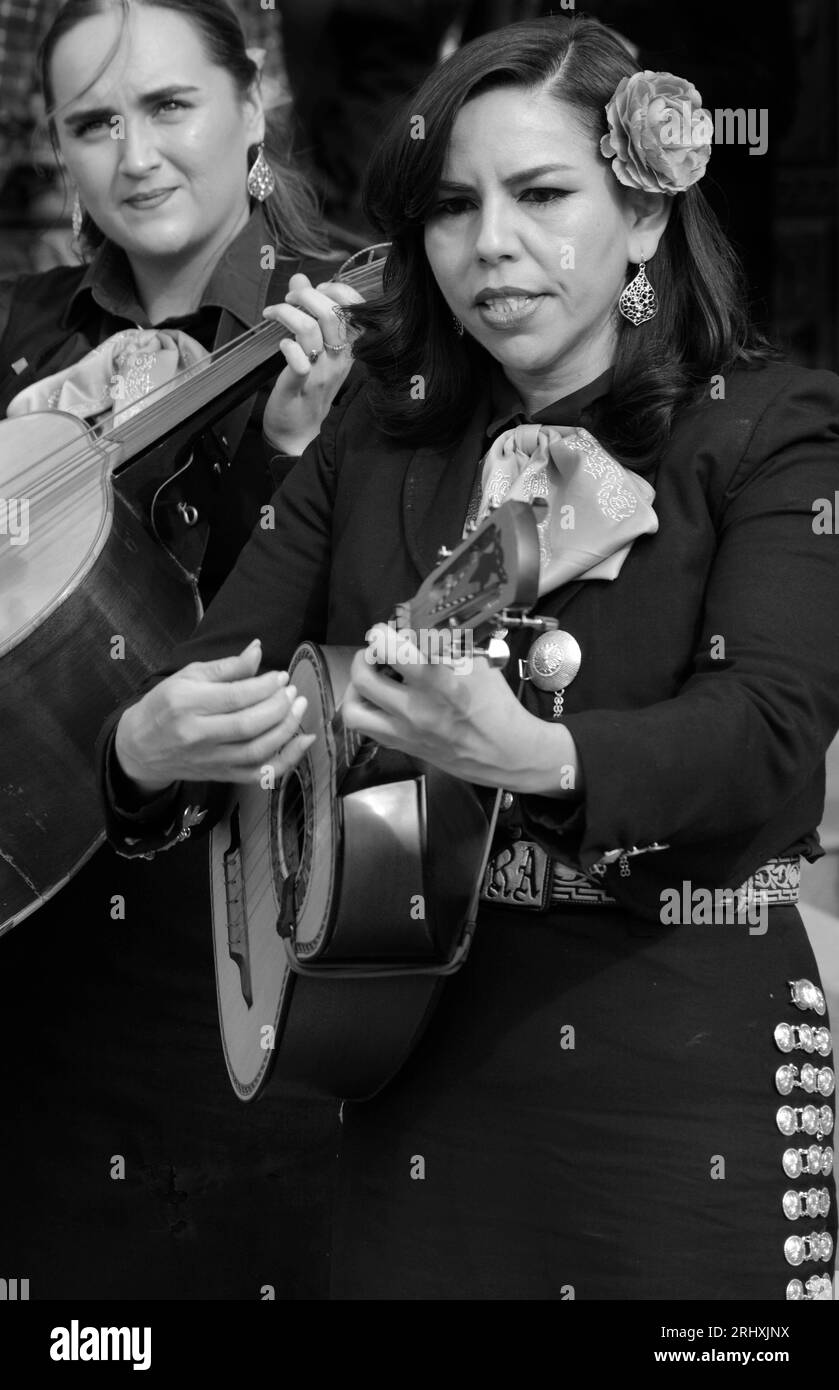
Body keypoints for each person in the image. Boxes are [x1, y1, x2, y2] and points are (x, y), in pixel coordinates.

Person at [101, 14, 838, 1300]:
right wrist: (138, 755)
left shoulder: (774, 433)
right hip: (409, 1076)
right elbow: (214, 682)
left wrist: (539, 756)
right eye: (450, 205)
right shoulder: (375, 443)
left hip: (678, 1067)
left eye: (540, 194)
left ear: (648, 218)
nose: (488, 244)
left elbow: (766, 729)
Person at [0, 0, 362, 1299]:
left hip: (231, 954)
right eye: (93, 122)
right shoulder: (21, 329)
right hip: (30, 961)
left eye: (168, 107)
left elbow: (347, 643)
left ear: (249, 108)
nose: (133, 154)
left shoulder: (351, 339)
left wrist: (280, 450)